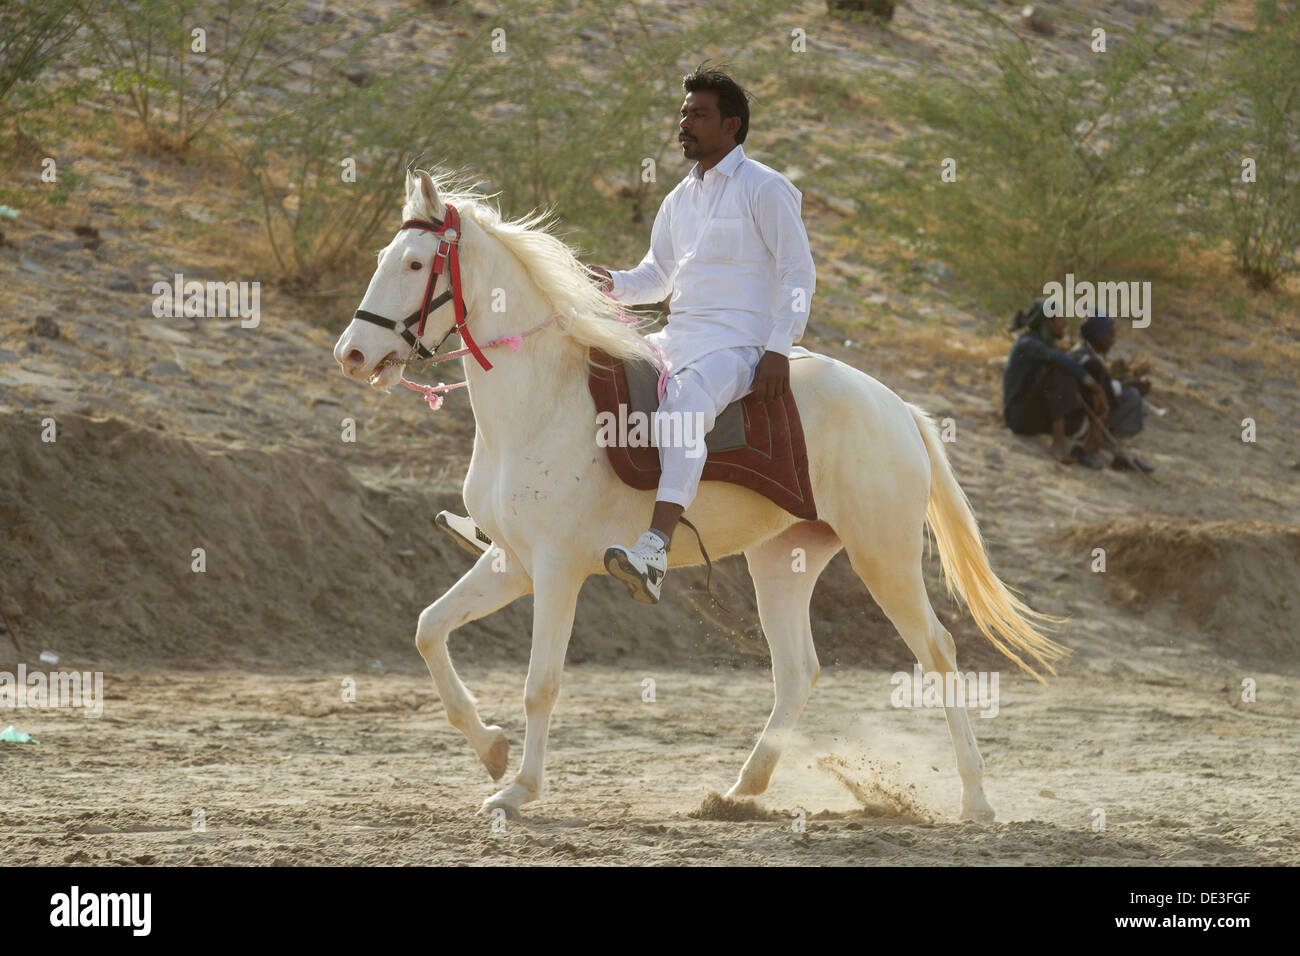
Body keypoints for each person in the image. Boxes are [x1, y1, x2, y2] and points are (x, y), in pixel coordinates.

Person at [589, 65, 817, 603]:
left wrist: (778, 350)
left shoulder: (766, 187)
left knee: (683, 410)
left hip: (739, 345)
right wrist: (609, 284)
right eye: (683, 113)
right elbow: (656, 277)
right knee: (592, 375)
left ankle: (653, 551)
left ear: (731, 125)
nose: (684, 123)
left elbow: (798, 273)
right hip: (677, 337)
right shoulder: (677, 199)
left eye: (699, 114)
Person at [1002, 298, 1108, 468]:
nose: (1065, 324)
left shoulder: (1044, 343)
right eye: (1060, 319)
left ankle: (1090, 445)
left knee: (1079, 371)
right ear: (1048, 321)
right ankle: (1059, 441)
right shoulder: (1027, 343)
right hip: (1017, 417)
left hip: (1033, 416)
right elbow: (1061, 359)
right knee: (1059, 370)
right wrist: (1094, 386)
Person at [1070, 311, 1156, 472]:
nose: (1113, 341)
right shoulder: (1090, 360)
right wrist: (1127, 385)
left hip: (1081, 416)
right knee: (1132, 397)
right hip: (1081, 421)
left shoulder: (1085, 352)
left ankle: (1113, 448)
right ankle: (1107, 446)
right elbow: (1106, 396)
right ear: (1099, 337)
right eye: (1110, 336)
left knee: (1130, 394)